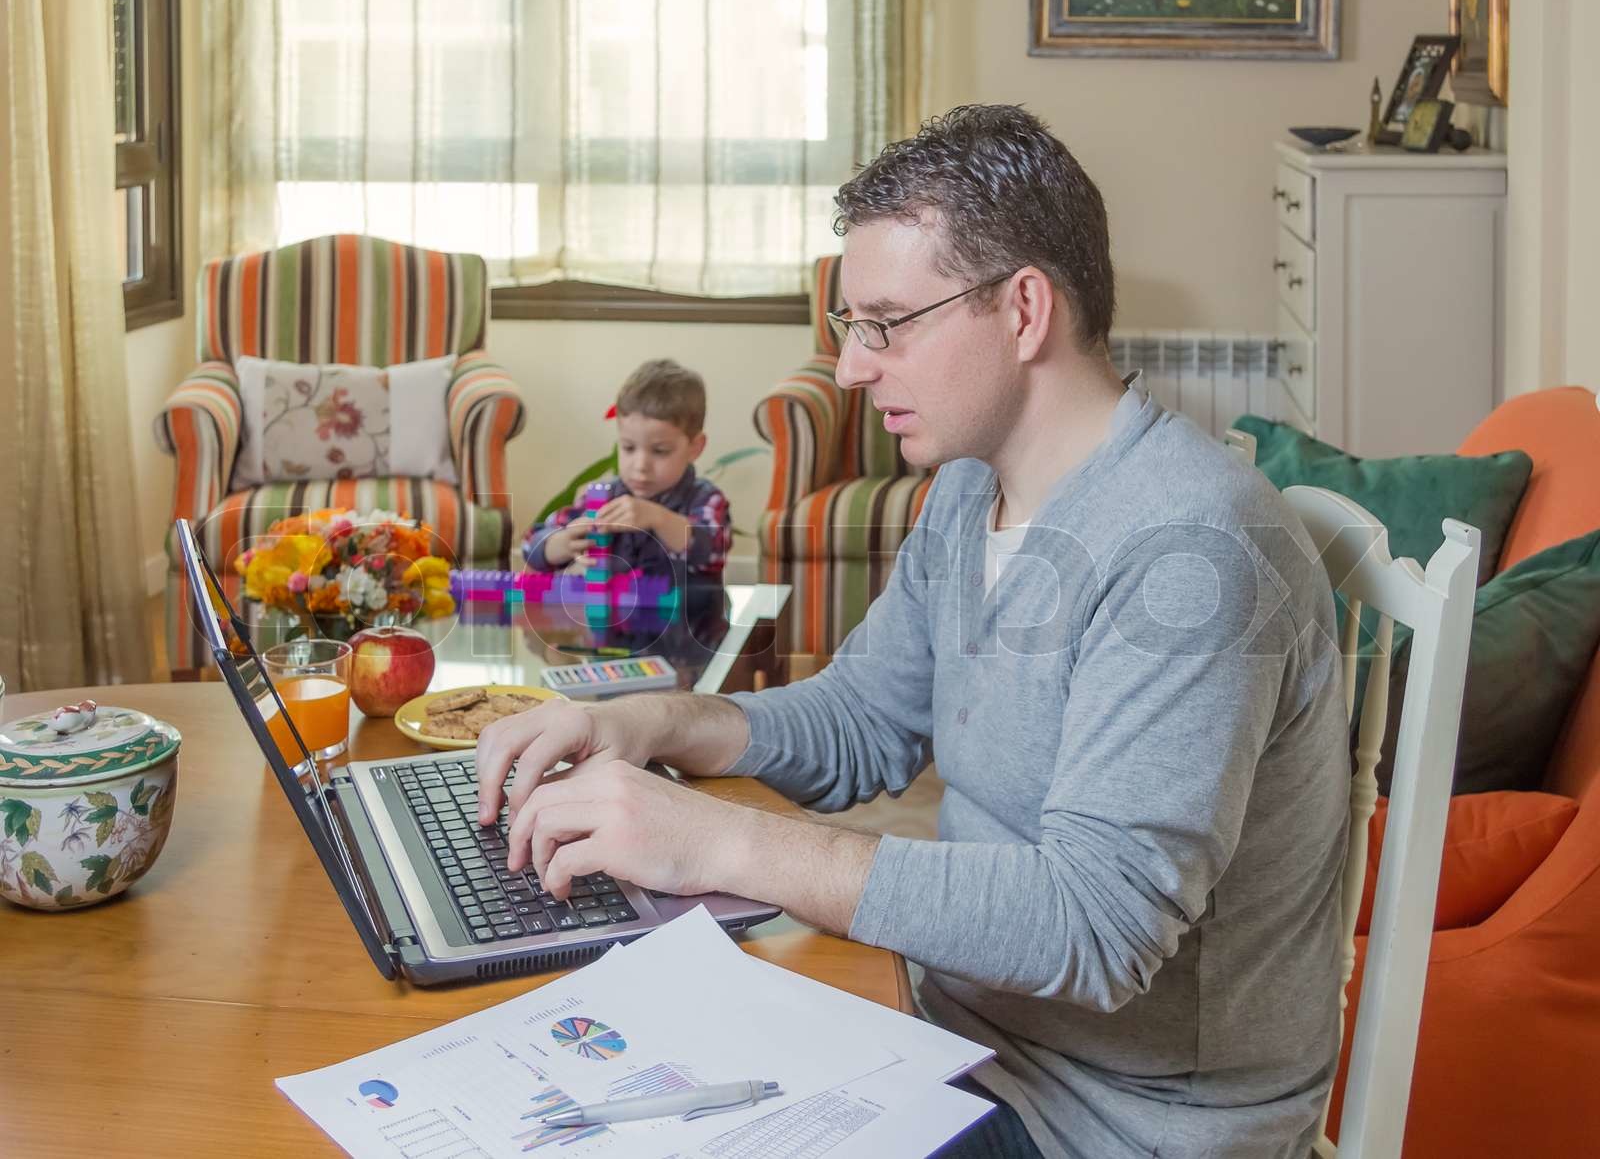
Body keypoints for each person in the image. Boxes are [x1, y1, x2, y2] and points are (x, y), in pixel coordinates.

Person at [478, 105, 1350, 1159]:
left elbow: (1092, 927)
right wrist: (655, 722)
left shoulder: (1194, 550)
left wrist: (718, 839)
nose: (853, 368)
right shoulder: (967, 488)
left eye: (885, 324)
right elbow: (864, 719)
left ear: (1024, 310)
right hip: (955, 1036)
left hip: (1115, 1123)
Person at [522, 358, 732, 579]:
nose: (640, 466)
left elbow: (714, 552)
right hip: (616, 612)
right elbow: (530, 544)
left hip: (690, 613)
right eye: (629, 448)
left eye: (660, 451)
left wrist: (658, 517)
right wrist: (560, 543)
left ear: (695, 448)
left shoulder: (705, 499)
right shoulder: (603, 497)